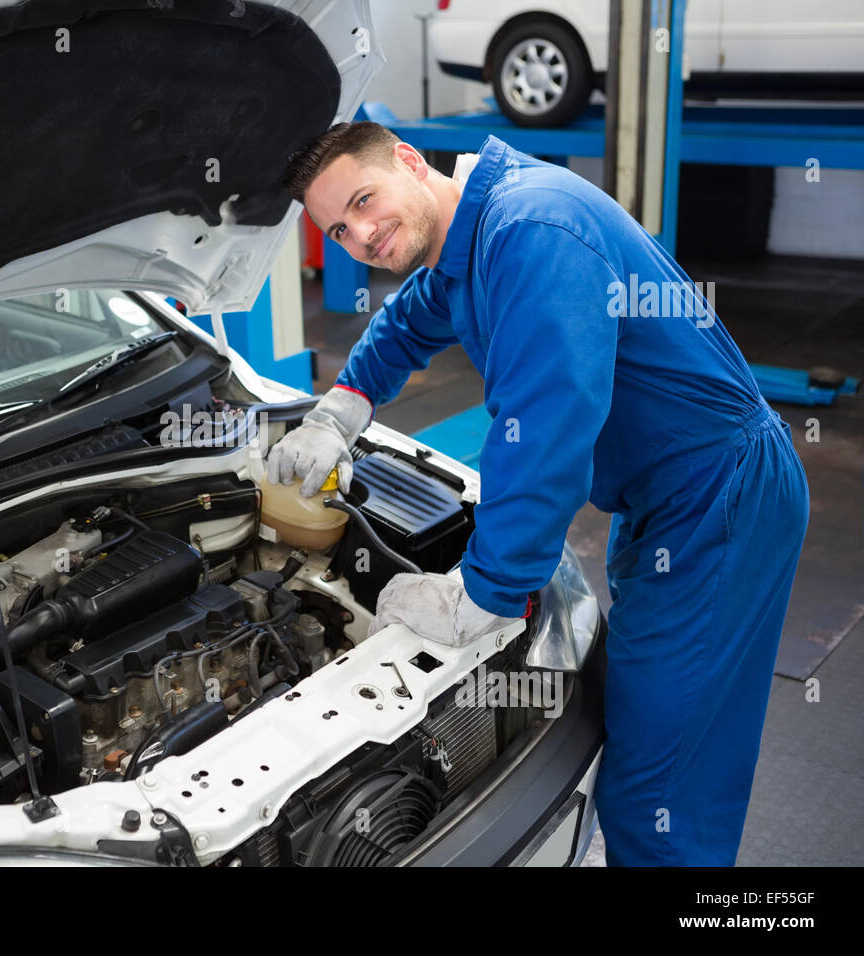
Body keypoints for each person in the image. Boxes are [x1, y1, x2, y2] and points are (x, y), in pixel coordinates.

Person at [267, 122, 810, 866]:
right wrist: (342, 407)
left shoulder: (530, 230)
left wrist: (485, 594)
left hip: (718, 501)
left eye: (363, 201)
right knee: (643, 721)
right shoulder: (474, 230)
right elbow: (409, 319)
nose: (361, 234)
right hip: (665, 500)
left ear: (407, 159)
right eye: (339, 228)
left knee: (665, 780)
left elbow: (545, 425)